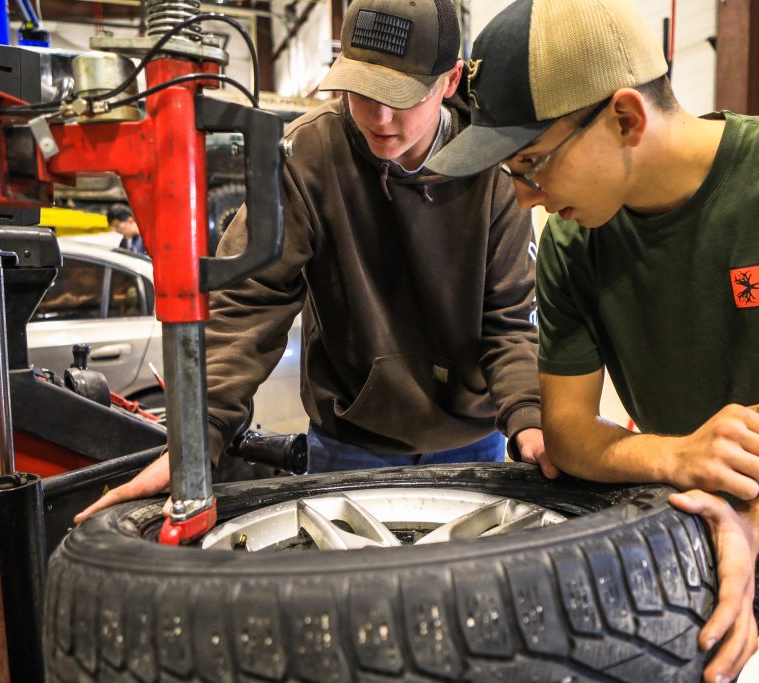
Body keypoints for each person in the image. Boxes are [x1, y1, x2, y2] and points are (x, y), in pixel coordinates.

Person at [427, 1, 759, 682]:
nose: (524, 197)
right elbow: (570, 429)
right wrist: (678, 454)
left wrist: (758, 524)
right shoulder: (575, 243)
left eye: (531, 164)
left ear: (627, 117)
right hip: (687, 539)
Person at [75, 0, 556, 523]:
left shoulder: (490, 167)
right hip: (349, 444)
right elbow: (246, 301)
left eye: (400, 95)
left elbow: (509, 322)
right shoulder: (306, 153)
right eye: (361, 90)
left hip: (474, 442)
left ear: (449, 80)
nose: (378, 116)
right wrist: (197, 439)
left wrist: (531, 421)